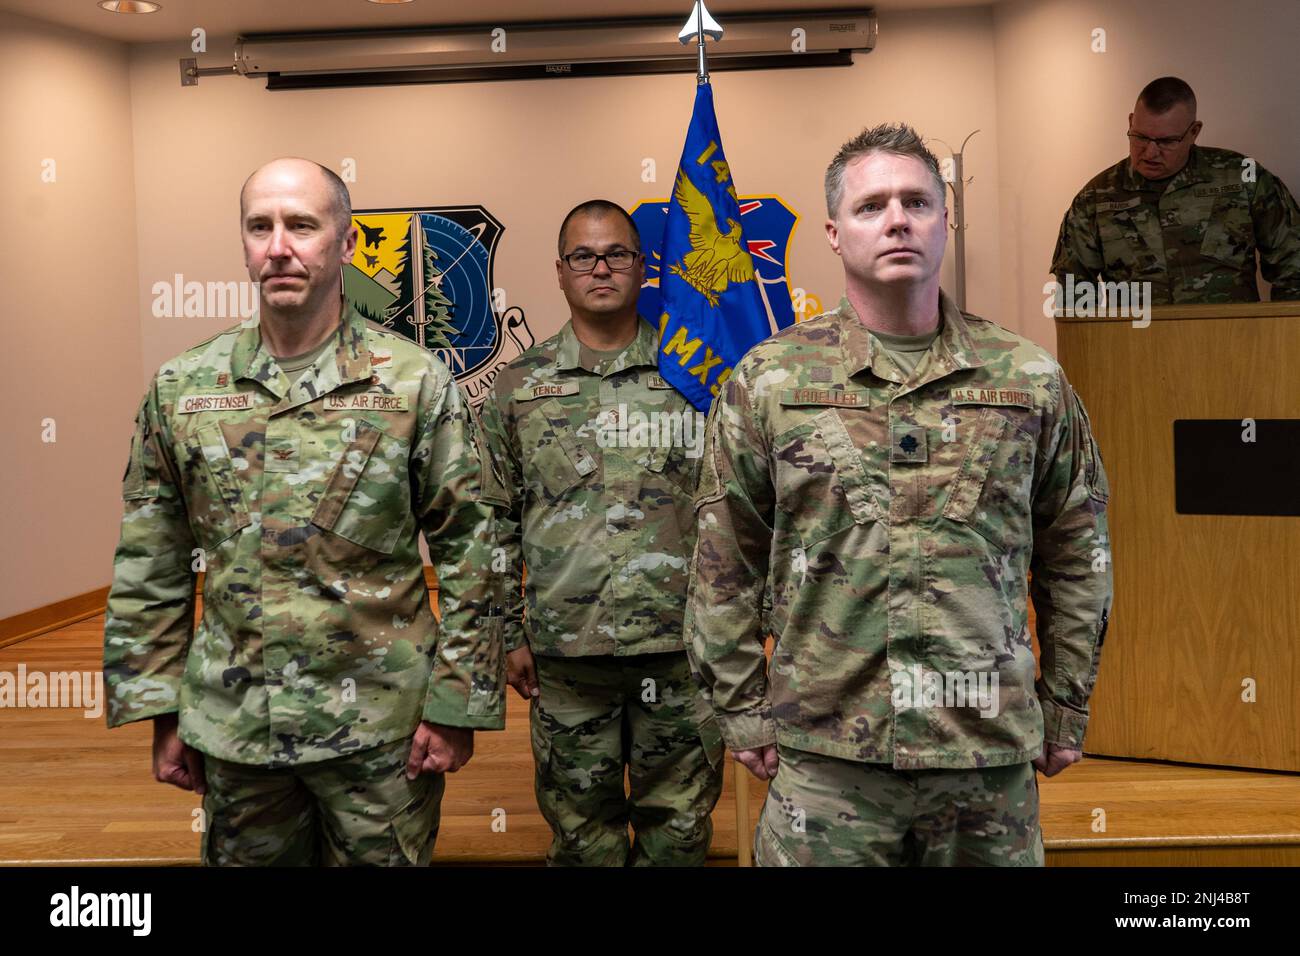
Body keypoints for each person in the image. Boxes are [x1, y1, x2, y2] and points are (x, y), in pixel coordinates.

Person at [688, 124, 1113, 866]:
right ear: (833, 232)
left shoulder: (1027, 378)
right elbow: (724, 557)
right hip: (827, 758)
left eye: (917, 202)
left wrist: (1067, 700)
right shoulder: (771, 381)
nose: (896, 221)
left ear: (945, 220)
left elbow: (1078, 549)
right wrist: (742, 707)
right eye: (871, 205)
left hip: (984, 752)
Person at [103, 157, 507, 866]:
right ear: (243, 243)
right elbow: (151, 557)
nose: (279, 247)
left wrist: (458, 704)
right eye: (260, 227)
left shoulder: (413, 382)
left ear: (346, 244)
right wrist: (159, 707)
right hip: (236, 725)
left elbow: (473, 551)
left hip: (380, 730)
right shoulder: (182, 389)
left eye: (301, 225)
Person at [478, 200, 724, 866]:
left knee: (679, 834)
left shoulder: (695, 377)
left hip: (681, 650)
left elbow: (731, 510)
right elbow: (492, 520)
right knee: (583, 838)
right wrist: (507, 632)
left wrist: (735, 630)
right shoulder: (519, 387)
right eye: (583, 256)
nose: (601, 268)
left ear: (643, 268)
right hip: (567, 654)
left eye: (617, 253)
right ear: (560, 272)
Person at [1051, 75, 1300, 304]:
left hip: (1232, 336)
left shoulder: (1243, 178)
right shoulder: (1096, 198)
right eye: (1140, 137)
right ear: (1130, 122)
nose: (1150, 152)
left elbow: (1294, 267)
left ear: (1194, 132)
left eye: (1166, 141)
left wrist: (1279, 334)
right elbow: (1073, 296)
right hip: (1135, 338)